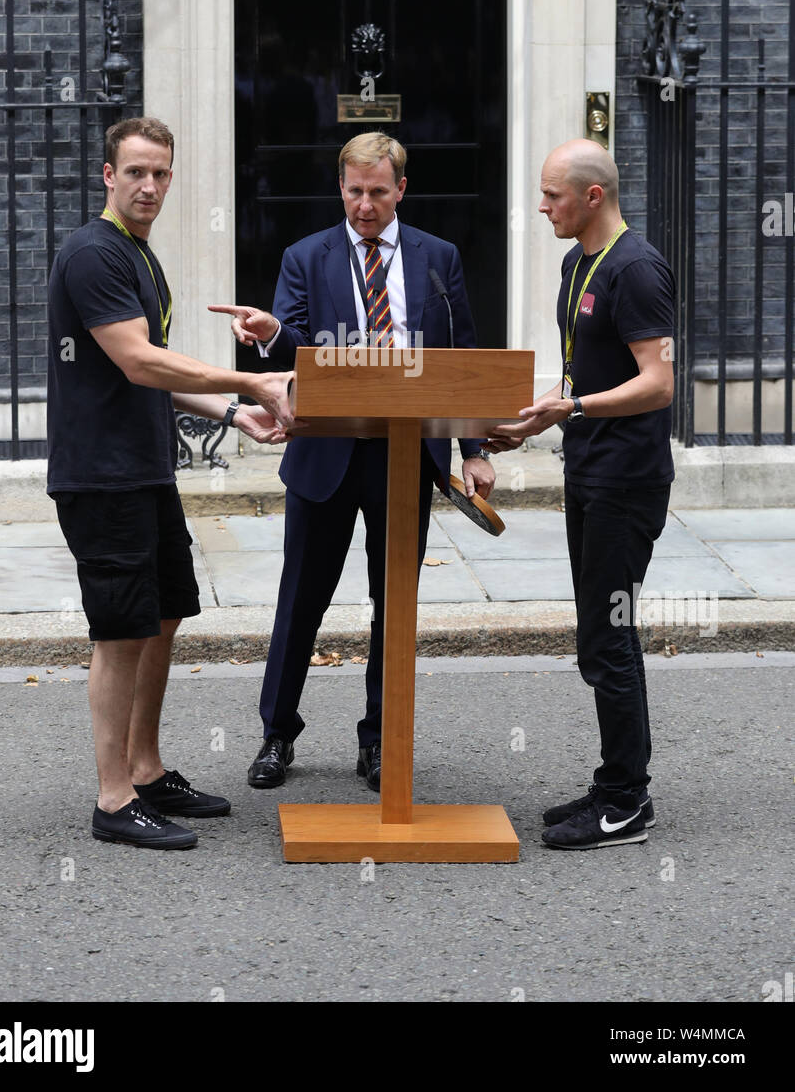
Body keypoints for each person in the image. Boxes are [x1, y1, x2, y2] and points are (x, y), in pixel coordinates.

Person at [213, 132, 495, 791]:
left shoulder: (438, 259)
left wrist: (474, 450)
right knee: (301, 599)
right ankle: (277, 734)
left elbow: (460, 358)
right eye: (353, 190)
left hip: (407, 456)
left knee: (393, 602)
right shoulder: (304, 257)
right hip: (326, 454)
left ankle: (380, 739)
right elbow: (299, 349)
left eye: (377, 191)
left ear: (401, 189)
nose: (364, 205)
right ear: (340, 188)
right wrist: (272, 333)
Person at [47, 116, 294, 850]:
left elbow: (154, 368)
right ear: (108, 175)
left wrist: (232, 410)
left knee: (163, 615)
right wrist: (250, 377)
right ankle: (114, 799)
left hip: (144, 470)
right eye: (136, 173)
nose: (149, 186)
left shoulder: (138, 256)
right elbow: (138, 361)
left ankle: (147, 770)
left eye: (161, 174)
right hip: (102, 476)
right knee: (121, 631)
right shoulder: (94, 253)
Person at [488, 139, 675, 851]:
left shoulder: (637, 268)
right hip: (588, 471)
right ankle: (613, 782)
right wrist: (540, 416)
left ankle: (628, 801)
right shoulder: (577, 264)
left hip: (627, 481)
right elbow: (582, 375)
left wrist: (576, 410)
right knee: (597, 635)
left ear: (593, 196)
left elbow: (657, 381)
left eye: (553, 196)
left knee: (609, 638)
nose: (541, 207)